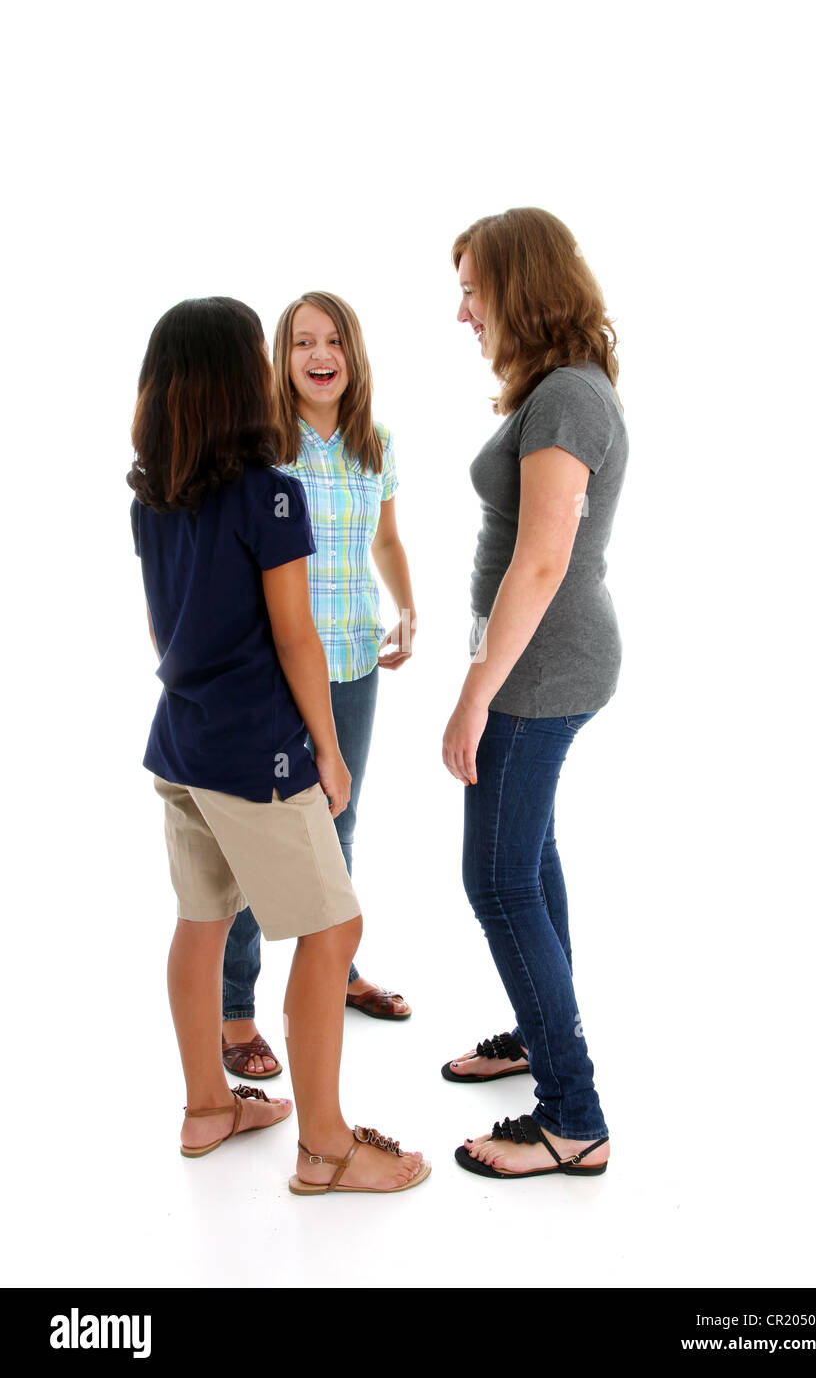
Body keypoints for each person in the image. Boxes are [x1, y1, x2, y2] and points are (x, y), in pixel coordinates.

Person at [130, 296, 429, 1194]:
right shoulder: (272, 492)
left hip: (182, 745)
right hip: (257, 755)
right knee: (336, 927)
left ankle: (207, 1108)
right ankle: (328, 1149)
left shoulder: (153, 497)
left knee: (202, 924)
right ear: (241, 382)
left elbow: (161, 635)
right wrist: (329, 754)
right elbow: (299, 641)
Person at [440, 208, 628, 1181]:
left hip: (535, 678)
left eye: (472, 287)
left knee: (497, 879)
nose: (462, 310)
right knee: (529, 855)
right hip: (531, 666)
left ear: (517, 285)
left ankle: (571, 1115)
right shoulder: (559, 391)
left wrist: (474, 694)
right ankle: (533, 1033)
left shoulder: (565, 398)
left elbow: (543, 558)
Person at [220, 291, 417, 1081]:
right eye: (302, 341)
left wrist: (407, 606)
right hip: (276, 672)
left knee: (339, 822)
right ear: (283, 356)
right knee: (258, 836)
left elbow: (390, 537)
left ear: (352, 352)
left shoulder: (377, 444)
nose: (318, 354)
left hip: (354, 665)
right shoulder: (264, 447)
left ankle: (333, 972)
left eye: (332, 339)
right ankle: (238, 1009)